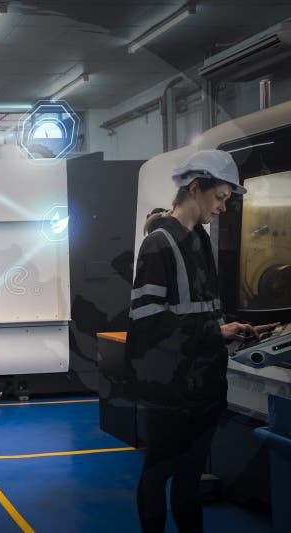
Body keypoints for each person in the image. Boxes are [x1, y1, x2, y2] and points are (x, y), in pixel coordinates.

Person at [126, 149, 278, 533]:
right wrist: (214, 331)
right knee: (159, 472)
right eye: (220, 197)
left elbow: (201, 311)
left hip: (205, 383)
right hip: (169, 388)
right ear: (196, 188)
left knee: (191, 477)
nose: (224, 207)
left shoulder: (199, 241)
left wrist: (235, 328)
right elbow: (147, 320)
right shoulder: (159, 243)